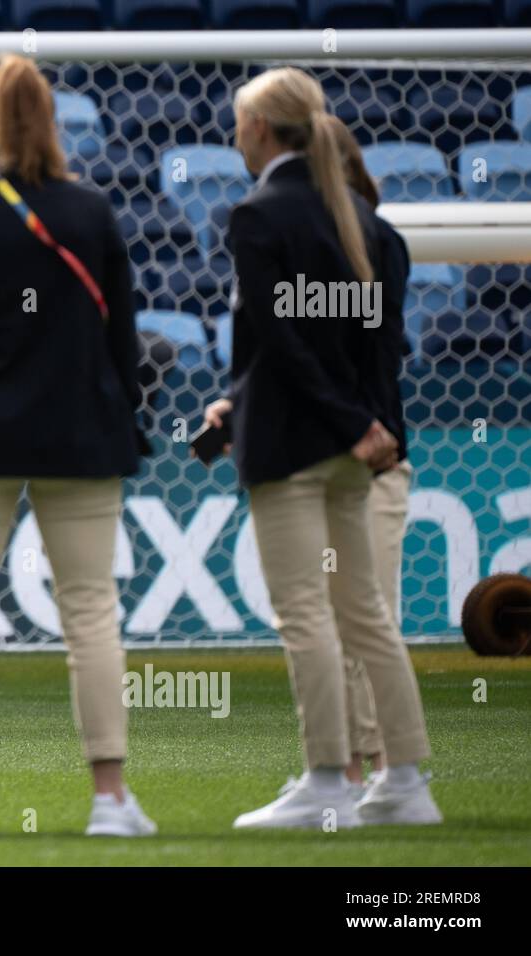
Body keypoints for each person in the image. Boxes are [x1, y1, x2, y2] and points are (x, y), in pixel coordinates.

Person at [0, 54, 155, 839]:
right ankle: (109, 799)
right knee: (92, 614)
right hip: (78, 433)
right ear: (52, 123)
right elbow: (122, 333)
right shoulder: (90, 210)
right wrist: (128, 420)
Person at [199, 67, 440, 828]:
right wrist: (371, 426)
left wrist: (338, 418)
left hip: (294, 446)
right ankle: (406, 782)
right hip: (354, 451)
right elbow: (376, 348)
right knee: (365, 612)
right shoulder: (365, 223)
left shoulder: (258, 216)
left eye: (240, 122)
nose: (235, 135)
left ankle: (328, 780)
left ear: (260, 128)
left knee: (305, 613)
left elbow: (278, 344)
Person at [331, 116, 413, 794]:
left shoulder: (371, 241)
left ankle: (378, 770)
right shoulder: (374, 239)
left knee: (361, 617)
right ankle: (354, 771)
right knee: (347, 618)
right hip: (350, 455)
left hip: (364, 456)